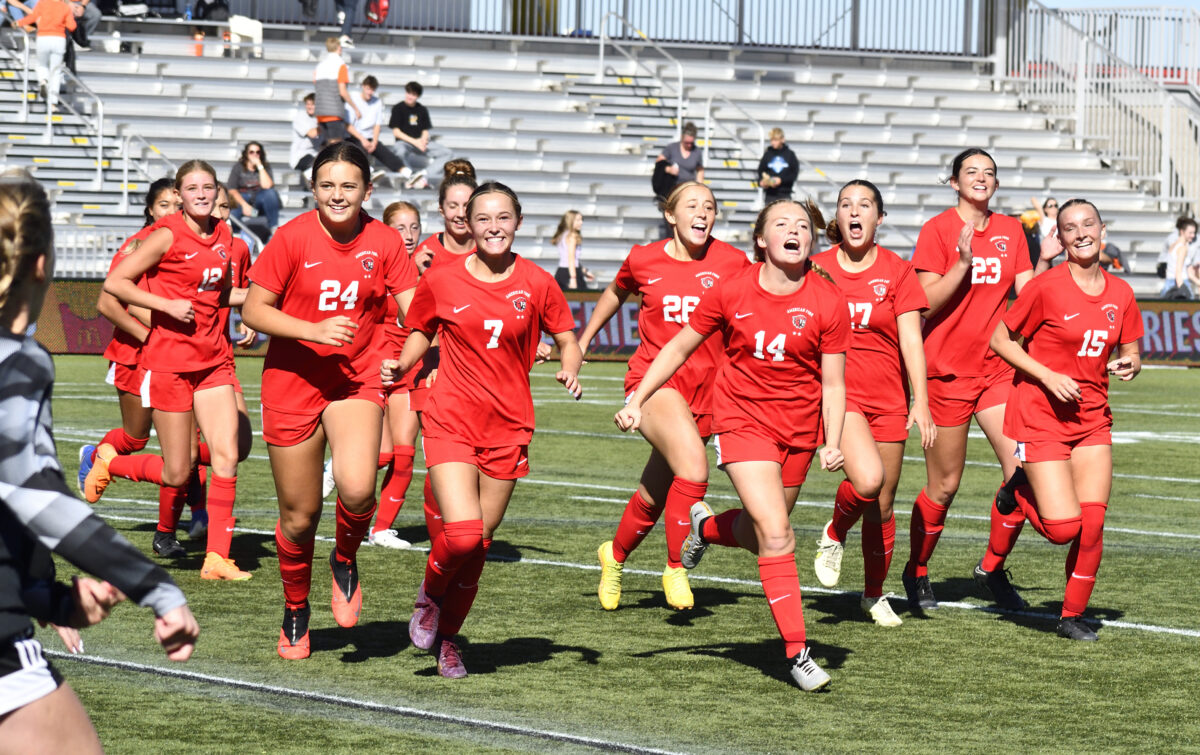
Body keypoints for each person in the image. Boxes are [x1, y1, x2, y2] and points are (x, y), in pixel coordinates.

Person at [0, 173, 199, 752]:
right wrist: (154, 587)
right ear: (42, 266)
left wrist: (49, 599)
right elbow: (30, 492)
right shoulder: (18, 359)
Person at [617, 198, 849, 692]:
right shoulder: (732, 290)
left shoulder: (829, 300)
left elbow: (832, 383)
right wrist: (639, 398)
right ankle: (798, 653)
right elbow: (678, 346)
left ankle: (707, 526)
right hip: (743, 421)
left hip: (800, 430)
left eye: (803, 225)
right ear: (761, 240)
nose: (795, 231)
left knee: (758, 534)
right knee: (779, 534)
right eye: (782, 224)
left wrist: (831, 440)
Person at [382, 181, 583, 679]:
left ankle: (449, 640)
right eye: (484, 219)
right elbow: (421, 330)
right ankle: (429, 594)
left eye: (503, 218)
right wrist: (401, 365)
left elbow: (567, 337)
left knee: (481, 546)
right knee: (465, 535)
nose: (494, 228)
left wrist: (569, 365)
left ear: (518, 222)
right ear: (468, 225)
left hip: (509, 425)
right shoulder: (444, 279)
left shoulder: (537, 282)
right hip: (451, 417)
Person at [241, 142, 419, 660]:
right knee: (299, 517)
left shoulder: (385, 240)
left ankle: (345, 557)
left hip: (355, 380)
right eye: (327, 185)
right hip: (291, 383)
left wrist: (417, 347)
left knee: (359, 488)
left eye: (349, 185)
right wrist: (312, 329)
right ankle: (296, 610)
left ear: (367, 189)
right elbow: (254, 310)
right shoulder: (292, 237)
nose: (337, 195)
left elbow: (416, 311)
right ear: (313, 188)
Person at [579, 182, 750, 611]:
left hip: (708, 392)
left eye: (710, 206)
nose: (703, 212)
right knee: (693, 468)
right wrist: (581, 343)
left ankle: (613, 557)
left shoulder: (733, 261)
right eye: (692, 205)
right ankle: (675, 566)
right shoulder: (643, 258)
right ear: (671, 215)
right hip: (653, 383)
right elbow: (615, 292)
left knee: (658, 491)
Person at [988, 199, 1142, 641]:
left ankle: (1071, 616)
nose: (1080, 233)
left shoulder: (1121, 293)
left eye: (1087, 224)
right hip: (1040, 417)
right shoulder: (1045, 287)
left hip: (1093, 418)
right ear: (1062, 236)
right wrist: (1046, 374)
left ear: (1102, 229)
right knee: (1062, 530)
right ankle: (1017, 492)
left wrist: (1132, 364)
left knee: (1092, 524)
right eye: (1070, 228)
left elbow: (1130, 350)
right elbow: (1001, 339)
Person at [96, 160, 251, 581]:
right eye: (192, 188)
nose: (201, 194)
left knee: (229, 454)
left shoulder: (223, 234)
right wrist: (164, 306)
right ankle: (109, 462)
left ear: (218, 192)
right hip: (169, 364)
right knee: (176, 472)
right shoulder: (165, 235)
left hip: (214, 360)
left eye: (208, 187)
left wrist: (257, 306)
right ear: (180, 195)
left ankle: (217, 558)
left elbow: (219, 295)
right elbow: (116, 284)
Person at [904, 148, 1035, 613]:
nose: (982, 178)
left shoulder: (1010, 230)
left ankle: (991, 569)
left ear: (996, 185)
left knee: (1024, 474)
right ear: (955, 182)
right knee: (945, 485)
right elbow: (923, 303)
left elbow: (1029, 297)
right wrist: (961, 263)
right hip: (948, 373)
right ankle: (917, 570)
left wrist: (1053, 270)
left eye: (990, 173)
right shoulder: (937, 230)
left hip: (998, 370)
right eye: (972, 172)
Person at [809, 180, 935, 626]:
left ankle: (873, 595)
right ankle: (834, 531)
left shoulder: (899, 271)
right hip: (841, 397)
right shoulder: (814, 267)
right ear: (837, 218)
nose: (855, 211)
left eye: (865, 205)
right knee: (867, 480)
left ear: (879, 218)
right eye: (846, 204)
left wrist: (919, 400)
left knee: (882, 503)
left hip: (889, 398)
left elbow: (911, 340)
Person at [78, 178, 179, 497]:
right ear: (150, 210)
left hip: (180, 355)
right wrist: (149, 335)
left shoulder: (190, 243)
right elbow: (108, 301)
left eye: (177, 205)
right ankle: (94, 456)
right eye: (164, 205)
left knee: (187, 441)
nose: (171, 212)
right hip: (135, 355)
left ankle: (189, 521)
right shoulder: (140, 243)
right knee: (135, 438)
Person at [367, 200, 430, 549]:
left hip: (408, 368)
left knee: (404, 453)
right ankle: (333, 471)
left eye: (414, 227)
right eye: (400, 228)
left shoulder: (430, 267)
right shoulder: (376, 263)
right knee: (380, 456)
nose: (408, 235)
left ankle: (381, 530)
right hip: (374, 367)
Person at [345, 75, 420, 188]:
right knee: (358, 150)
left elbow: (377, 125)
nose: (370, 92)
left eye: (372, 90)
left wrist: (374, 141)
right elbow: (348, 125)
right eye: (368, 89)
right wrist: (362, 139)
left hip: (369, 138)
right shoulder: (353, 99)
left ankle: (407, 172)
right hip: (355, 137)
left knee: (384, 152)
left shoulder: (377, 102)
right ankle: (368, 171)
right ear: (363, 87)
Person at [14, 0, 76, 111]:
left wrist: (18, 23)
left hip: (43, 37)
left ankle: (43, 80)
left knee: (41, 65)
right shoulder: (64, 7)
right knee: (56, 71)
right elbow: (71, 26)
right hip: (58, 39)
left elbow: (32, 18)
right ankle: (52, 104)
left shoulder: (42, 4)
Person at [388, 81, 449, 187]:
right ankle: (410, 177)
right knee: (399, 151)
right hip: (405, 142)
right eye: (409, 93)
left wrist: (424, 141)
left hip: (420, 142)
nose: (410, 96)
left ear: (418, 96)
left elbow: (425, 130)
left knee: (447, 153)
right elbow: (396, 132)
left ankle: (424, 176)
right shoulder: (398, 108)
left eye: (414, 94)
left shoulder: (422, 109)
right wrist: (415, 142)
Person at [227, 142, 282, 239]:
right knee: (235, 201)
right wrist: (244, 205)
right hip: (243, 199)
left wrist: (259, 166)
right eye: (251, 152)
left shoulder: (265, 167)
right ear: (246, 154)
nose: (255, 154)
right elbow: (232, 189)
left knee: (270, 193)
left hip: (259, 199)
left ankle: (274, 228)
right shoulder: (238, 167)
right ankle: (234, 231)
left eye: (258, 152)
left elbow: (267, 186)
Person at [313, 37, 359, 147]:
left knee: (326, 145)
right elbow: (342, 91)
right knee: (336, 146)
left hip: (320, 111)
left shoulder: (319, 66)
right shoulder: (340, 65)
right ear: (339, 47)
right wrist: (355, 108)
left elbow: (316, 84)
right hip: (334, 111)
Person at [655, 121, 704, 195]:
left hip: (688, 189)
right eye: (686, 142)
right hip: (672, 189)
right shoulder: (672, 148)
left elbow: (700, 170)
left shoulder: (697, 151)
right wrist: (669, 169)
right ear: (682, 137)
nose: (689, 145)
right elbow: (659, 162)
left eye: (691, 143)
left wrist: (699, 187)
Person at [757, 128, 799, 202]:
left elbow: (794, 174)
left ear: (782, 140)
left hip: (785, 194)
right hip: (770, 195)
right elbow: (760, 171)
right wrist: (762, 182)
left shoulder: (790, 154)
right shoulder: (767, 154)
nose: (773, 143)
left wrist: (781, 180)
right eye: (771, 140)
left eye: (775, 140)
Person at [1161, 217, 1196, 298]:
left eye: (1194, 233)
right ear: (1182, 232)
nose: (1193, 236)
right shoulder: (1182, 248)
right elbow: (1178, 272)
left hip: (1168, 284)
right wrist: (1184, 291)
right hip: (1179, 283)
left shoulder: (1173, 245)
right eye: (1190, 233)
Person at [552, 209, 586, 291]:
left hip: (561, 272)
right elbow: (571, 258)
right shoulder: (572, 236)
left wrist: (584, 271)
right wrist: (573, 278)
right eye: (578, 220)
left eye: (581, 220)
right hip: (570, 273)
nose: (581, 222)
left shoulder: (563, 234)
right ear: (571, 221)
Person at [290, 93, 320, 184]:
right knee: (315, 164)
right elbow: (312, 134)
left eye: (312, 104)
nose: (309, 107)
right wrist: (324, 122)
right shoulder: (301, 117)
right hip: (300, 156)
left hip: (314, 155)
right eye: (308, 104)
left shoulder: (318, 119)